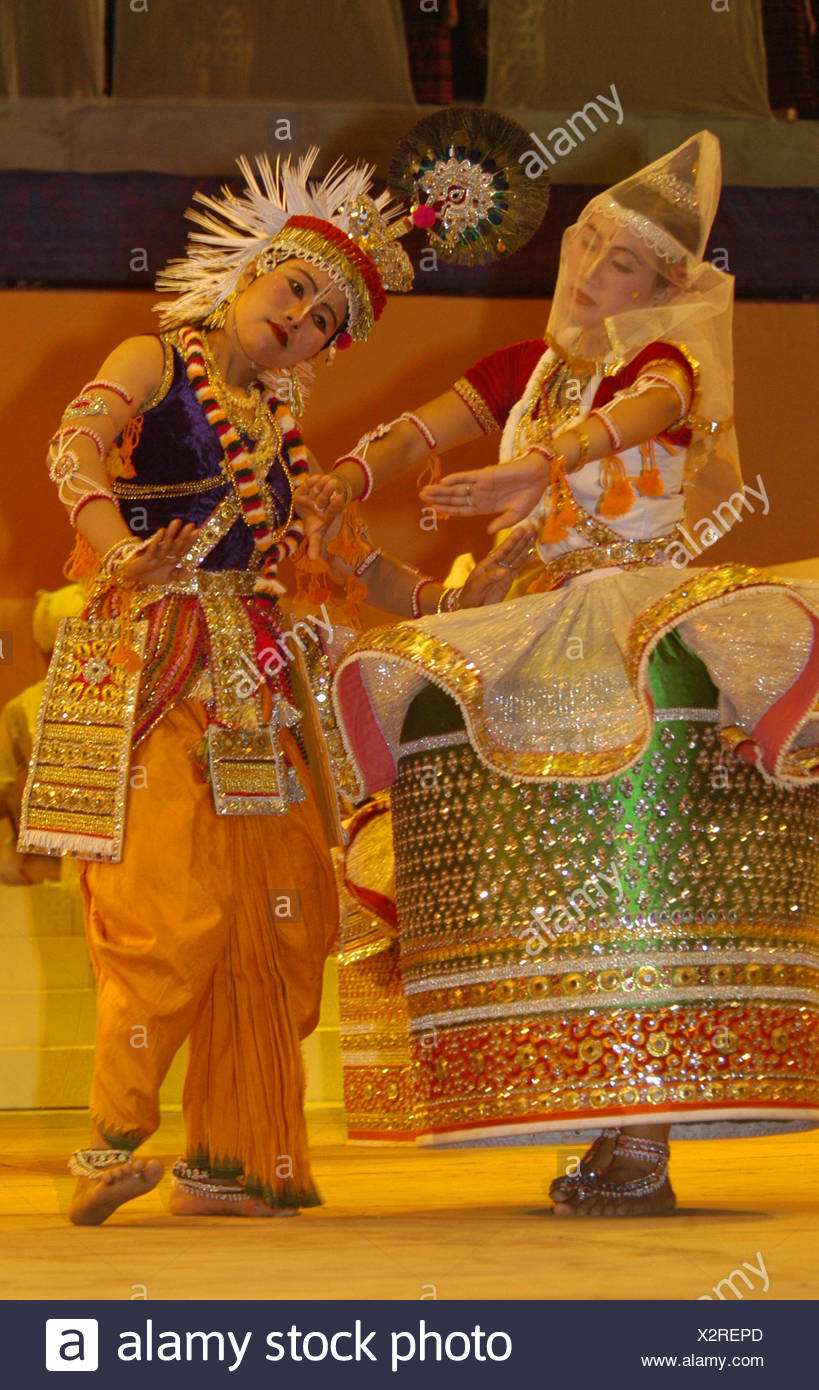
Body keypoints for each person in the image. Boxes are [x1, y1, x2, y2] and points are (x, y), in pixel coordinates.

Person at [301, 131, 819, 1215]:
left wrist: (547, 461)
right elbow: (428, 427)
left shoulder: (661, 362)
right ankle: (588, 1100)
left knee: (632, 883)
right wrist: (345, 482)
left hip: (637, 646)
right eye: (585, 248)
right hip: (539, 626)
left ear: (668, 284)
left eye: (620, 264)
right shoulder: (534, 373)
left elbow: (654, 412)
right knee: (546, 872)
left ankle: (643, 1131)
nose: (589, 277)